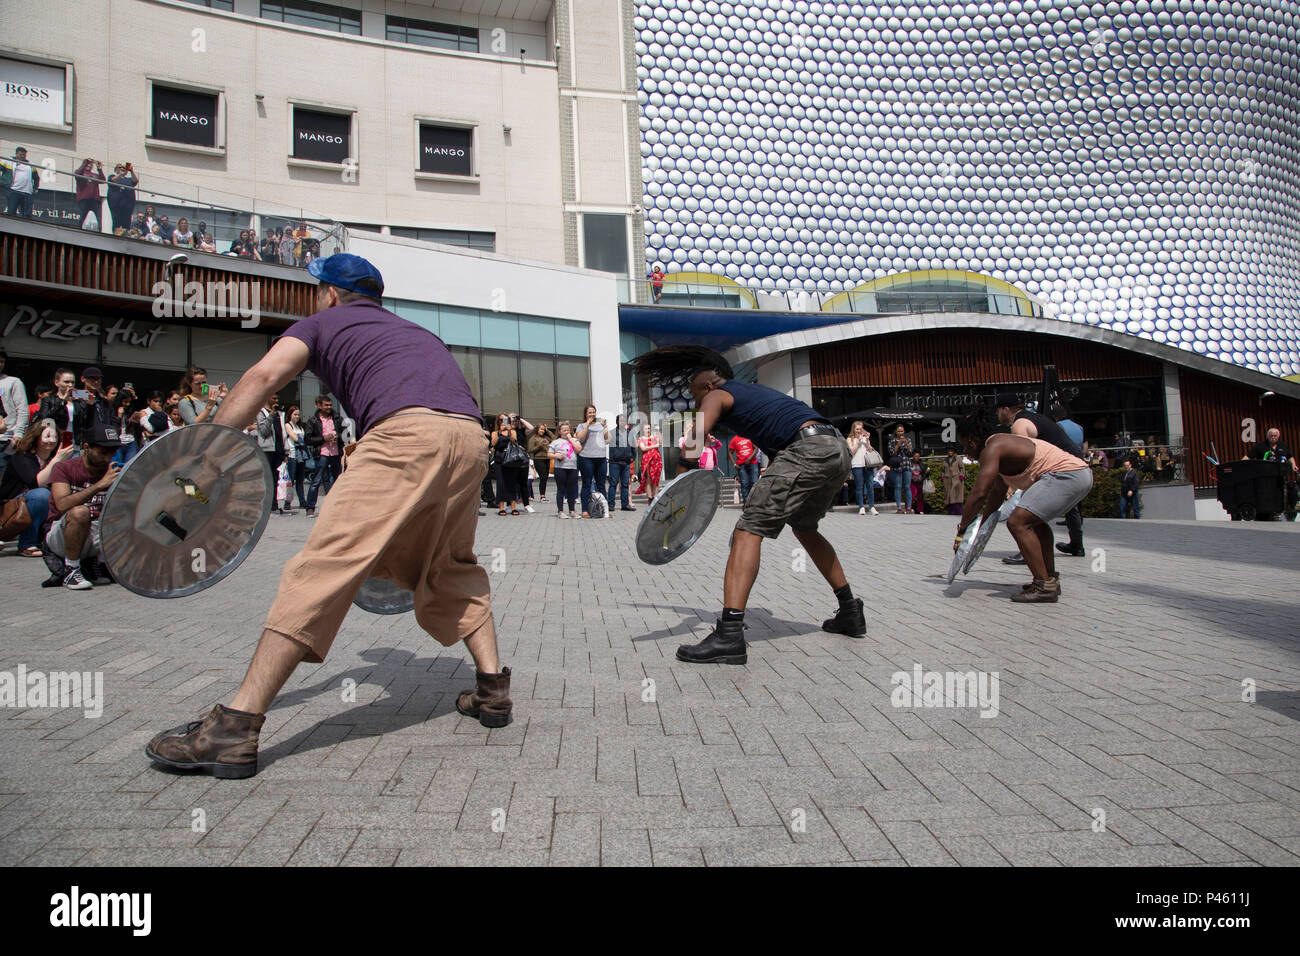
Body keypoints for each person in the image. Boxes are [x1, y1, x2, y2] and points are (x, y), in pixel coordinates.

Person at [144, 252, 510, 780]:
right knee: (453, 563)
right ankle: (493, 687)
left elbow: (265, 374)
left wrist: (205, 463)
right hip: (469, 438)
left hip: (405, 434)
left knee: (325, 567)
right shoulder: (416, 332)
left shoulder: (320, 322)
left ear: (330, 293)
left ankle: (235, 727)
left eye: (318, 288)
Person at [630, 345, 865, 663]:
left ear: (709, 384)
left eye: (695, 393)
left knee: (746, 531)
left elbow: (696, 437)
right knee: (805, 527)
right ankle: (850, 610)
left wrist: (675, 488)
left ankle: (729, 634)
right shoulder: (752, 392)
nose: (695, 401)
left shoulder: (718, 394)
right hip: (835, 447)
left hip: (806, 450)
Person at [954, 405, 1094, 603]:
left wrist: (962, 532)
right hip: (1078, 474)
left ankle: (1043, 585)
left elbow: (978, 494)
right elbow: (995, 494)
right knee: (1034, 523)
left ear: (973, 440)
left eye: (965, 446)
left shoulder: (992, 448)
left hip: (1067, 475)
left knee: (1018, 522)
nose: (966, 452)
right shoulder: (1001, 449)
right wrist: (978, 531)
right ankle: (1049, 579)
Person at [42, 422, 124, 590]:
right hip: (62, 535)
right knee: (80, 512)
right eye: (102, 452)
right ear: (86, 447)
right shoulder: (64, 468)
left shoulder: (114, 472)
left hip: (96, 536)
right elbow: (62, 505)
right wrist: (99, 485)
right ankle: (71, 571)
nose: (108, 458)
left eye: (112, 452)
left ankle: (103, 566)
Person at [0, 418, 73, 557]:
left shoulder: (55, 458)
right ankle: (27, 544)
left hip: (36, 504)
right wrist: (57, 460)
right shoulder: (22, 457)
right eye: (46, 436)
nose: (51, 441)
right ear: (36, 438)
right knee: (41, 495)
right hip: (11, 507)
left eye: (54, 437)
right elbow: (36, 483)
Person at [304, 395, 344, 515]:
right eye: (326, 405)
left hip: (336, 452)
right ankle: (310, 507)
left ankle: (336, 507)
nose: (329, 407)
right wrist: (323, 438)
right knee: (316, 481)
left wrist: (338, 436)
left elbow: (345, 433)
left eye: (330, 405)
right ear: (319, 406)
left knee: (338, 480)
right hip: (322, 453)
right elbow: (308, 439)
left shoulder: (337, 418)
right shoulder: (313, 420)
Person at [490, 412, 532, 515]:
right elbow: (493, 443)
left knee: (511, 483)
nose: (503, 422)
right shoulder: (495, 432)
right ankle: (501, 507)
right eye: (501, 420)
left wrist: (508, 431)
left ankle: (513, 507)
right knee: (501, 484)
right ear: (498, 422)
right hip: (499, 460)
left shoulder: (512, 431)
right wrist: (500, 431)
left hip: (510, 460)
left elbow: (514, 441)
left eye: (505, 420)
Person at [256, 393, 290, 514]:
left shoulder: (280, 414)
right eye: (274, 398)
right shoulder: (261, 412)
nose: (276, 401)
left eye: (277, 398)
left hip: (278, 450)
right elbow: (264, 431)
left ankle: (274, 504)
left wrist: (285, 451)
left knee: (275, 478)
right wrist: (270, 415)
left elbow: (282, 433)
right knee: (267, 478)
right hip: (267, 450)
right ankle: (266, 504)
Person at [575, 404, 610, 518]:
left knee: (601, 485)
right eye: (589, 412)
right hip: (586, 458)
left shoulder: (600, 425)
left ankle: (605, 510)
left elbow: (607, 439)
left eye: (593, 412)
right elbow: (581, 438)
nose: (592, 414)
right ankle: (585, 510)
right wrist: (587, 425)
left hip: (600, 458)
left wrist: (605, 426)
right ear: (585, 414)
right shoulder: (581, 425)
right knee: (587, 484)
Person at [0, 347, 30, 469]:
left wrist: (19, 433)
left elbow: (22, 409)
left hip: (5, 439)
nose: (0, 364)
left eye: (2, 361)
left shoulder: (13, 382)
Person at [547, 422, 581, 517]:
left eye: (568, 430)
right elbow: (549, 454)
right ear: (559, 431)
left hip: (572, 468)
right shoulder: (556, 442)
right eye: (564, 430)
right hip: (560, 468)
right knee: (561, 489)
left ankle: (572, 510)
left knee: (571, 490)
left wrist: (571, 439)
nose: (566, 432)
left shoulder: (575, 440)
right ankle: (560, 511)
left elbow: (578, 449)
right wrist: (555, 455)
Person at [845, 421, 878, 516]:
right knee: (859, 486)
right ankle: (861, 507)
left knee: (870, 486)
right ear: (853, 429)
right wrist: (858, 441)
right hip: (857, 465)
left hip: (867, 465)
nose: (859, 431)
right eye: (857, 429)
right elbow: (851, 452)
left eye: (860, 429)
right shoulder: (849, 439)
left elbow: (870, 449)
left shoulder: (864, 438)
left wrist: (867, 440)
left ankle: (872, 507)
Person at [606, 414, 638, 512]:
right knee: (613, 484)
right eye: (621, 421)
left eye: (624, 421)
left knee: (625, 484)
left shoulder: (630, 434)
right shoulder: (611, 433)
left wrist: (633, 457)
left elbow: (634, 447)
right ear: (617, 422)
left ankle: (625, 505)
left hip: (626, 463)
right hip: (614, 462)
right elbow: (605, 440)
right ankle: (610, 505)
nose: (622, 422)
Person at [282, 405, 309, 511]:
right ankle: (287, 502)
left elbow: (300, 439)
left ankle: (302, 501)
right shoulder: (288, 425)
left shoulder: (300, 427)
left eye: (298, 414)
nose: (297, 416)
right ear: (290, 415)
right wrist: (302, 441)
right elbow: (294, 438)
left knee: (300, 480)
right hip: (292, 455)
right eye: (295, 414)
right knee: (291, 480)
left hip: (301, 456)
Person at [2, 146, 40, 217]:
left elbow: (36, 178)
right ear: (16, 154)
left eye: (24, 155)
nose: (22, 156)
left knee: (27, 215)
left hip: (27, 193)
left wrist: (35, 188)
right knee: (11, 213)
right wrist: (2, 181)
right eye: (20, 155)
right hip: (14, 191)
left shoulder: (30, 165)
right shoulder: (8, 161)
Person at [888, 424, 914, 513]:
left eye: (902, 431)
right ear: (896, 432)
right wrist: (898, 444)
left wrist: (906, 443)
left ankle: (909, 507)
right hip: (897, 465)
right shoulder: (892, 441)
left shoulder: (908, 440)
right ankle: (899, 507)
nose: (900, 433)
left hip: (906, 464)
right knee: (898, 486)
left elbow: (910, 452)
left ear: (904, 432)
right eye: (899, 431)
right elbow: (892, 453)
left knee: (907, 487)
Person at [106, 163, 139, 233]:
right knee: (116, 222)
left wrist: (131, 171)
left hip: (127, 205)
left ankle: (125, 236)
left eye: (124, 168)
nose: (122, 169)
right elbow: (112, 180)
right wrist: (121, 174)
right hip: (117, 205)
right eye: (120, 167)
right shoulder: (112, 176)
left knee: (126, 224)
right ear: (116, 170)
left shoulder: (129, 180)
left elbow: (135, 181)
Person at [635, 423, 663, 498]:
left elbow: (660, 442)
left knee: (656, 479)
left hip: (657, 460)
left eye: (649, 428)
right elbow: (643, 448)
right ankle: (650, 497)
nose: (648, 430)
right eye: (646, 428)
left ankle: (655, 497)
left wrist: (658, 431)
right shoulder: (641, 439)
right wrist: (655, 445)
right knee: (648, 478)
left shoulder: (654, 437)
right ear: (643, 430)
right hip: (647, 461)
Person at [528, 423, 552, 501]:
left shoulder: (546, 437)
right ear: (537, 429)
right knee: (543, 476)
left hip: (547, 458)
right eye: (541, 429)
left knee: (545, 477)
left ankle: (543, 495)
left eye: (543, 429)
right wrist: (539, 446)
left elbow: (554, 438)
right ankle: (542, 496)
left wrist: (548, 430)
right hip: (538, 458)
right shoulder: (533, 438)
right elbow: (530, 450)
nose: (542, 431)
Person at [942, 446, 966, 515]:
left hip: (956, 479)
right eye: (949, 451)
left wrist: (961, 475)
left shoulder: (958, 458)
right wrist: (943, 477)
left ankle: (958, 511)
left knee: (957, 495)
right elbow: (943, 470)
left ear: (954, 452)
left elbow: (962, 468)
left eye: (951, 451)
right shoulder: (945, 459)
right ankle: (950, 511)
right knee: (948, 495)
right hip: (947, 480)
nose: (950, 452)